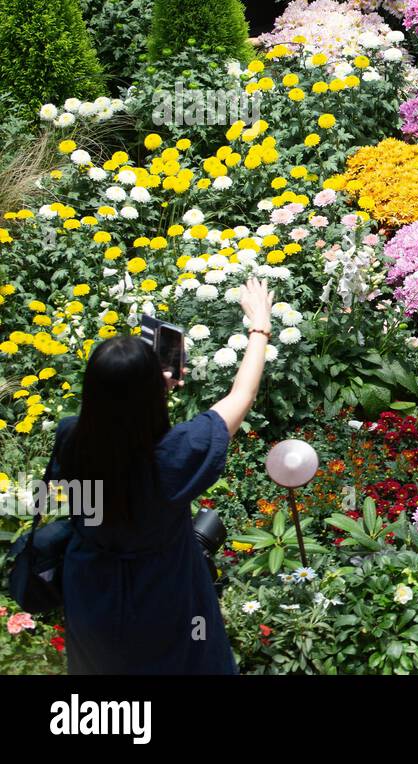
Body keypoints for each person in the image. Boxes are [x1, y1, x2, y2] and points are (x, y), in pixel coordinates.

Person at [46, 277, 275, 674]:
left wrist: (149, 392)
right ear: (152, 393)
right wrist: (259, 325)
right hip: (163, 590)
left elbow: (105, 446)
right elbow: (242, 397)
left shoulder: (70, 436)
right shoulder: (176, 455)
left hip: (93, 586)